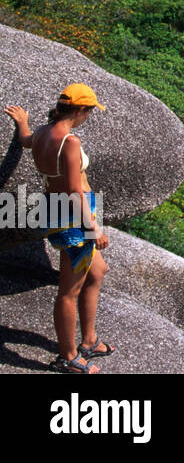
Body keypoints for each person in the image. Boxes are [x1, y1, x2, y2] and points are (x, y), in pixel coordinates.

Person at [5, 85, 113, 373]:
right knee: (68, 291)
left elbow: (26, 140)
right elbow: (75, 191)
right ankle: (68, 357)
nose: (88, 117)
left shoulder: (43, 132)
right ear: (80, 110)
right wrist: (94, 229)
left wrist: (22, 122)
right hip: (75, 218)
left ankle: (88, 340)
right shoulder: (70, 141)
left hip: (56, 209)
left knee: (97, 271)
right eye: (89, 112)